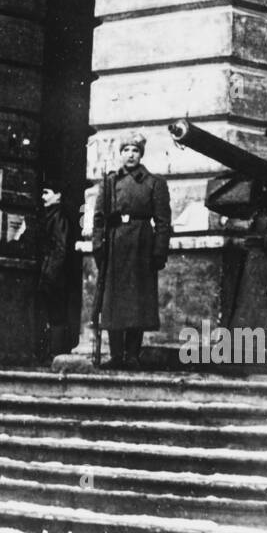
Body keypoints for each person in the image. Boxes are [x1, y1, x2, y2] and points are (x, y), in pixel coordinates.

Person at [92, 132, 171, 369]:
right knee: (113, 300)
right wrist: (99, 246)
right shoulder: (110, 182)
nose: (130, 155)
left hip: (141, 245)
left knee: (137, 300)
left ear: (141, 154)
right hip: (115, 243)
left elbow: (163, 221)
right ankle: (116, 355)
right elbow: (98, 218)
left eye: (135, 150)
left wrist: (159, 251)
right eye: (126, 150)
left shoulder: (154, 183)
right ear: (120, 154)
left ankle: (132, 355)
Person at [34, 176, 78, 362]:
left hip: (55, 276)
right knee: (53, 314)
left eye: (47, 193)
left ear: (58, 195)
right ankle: (51, 353)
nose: (43, 197)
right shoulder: (51, 214)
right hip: (52, 274)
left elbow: (61, 248)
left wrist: (50, 274)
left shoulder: (58, 216)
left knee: (56, 315)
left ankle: (55, 354)